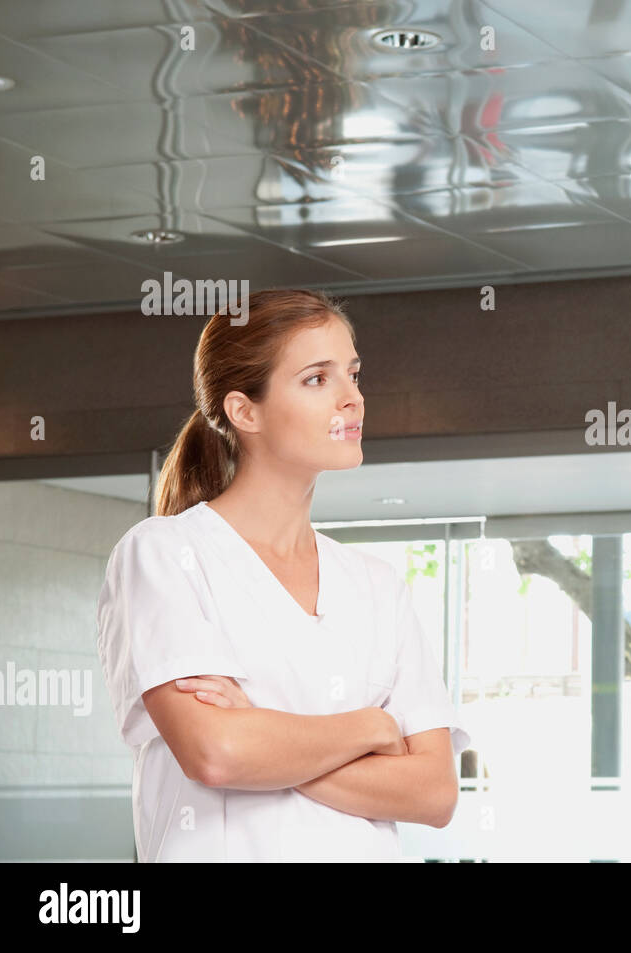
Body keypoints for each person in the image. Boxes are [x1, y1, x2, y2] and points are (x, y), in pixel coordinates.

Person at [96, 289, 469, 861]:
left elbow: (435, 793)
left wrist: (266, 738)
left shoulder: (376, 584)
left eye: (353, 374)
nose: (352, 399)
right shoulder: (164, 555)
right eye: (317, 379)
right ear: (245, 411)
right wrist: (371, 728)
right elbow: (216, 755)